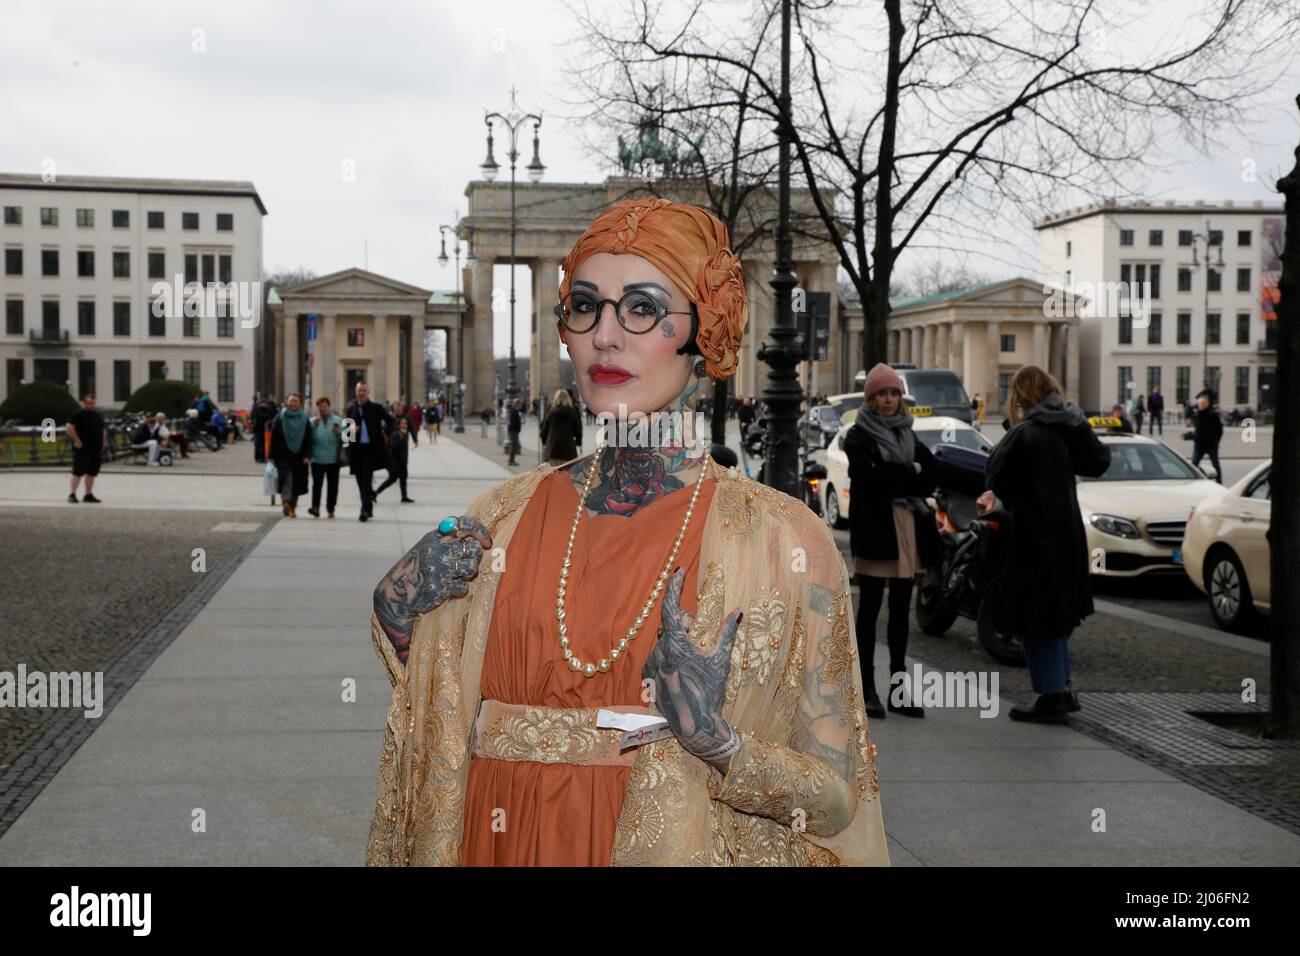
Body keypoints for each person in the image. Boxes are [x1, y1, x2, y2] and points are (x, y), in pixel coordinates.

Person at [365, 198, 886, 867]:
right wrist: (399, 610)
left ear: (706, 332)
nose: (605, 335)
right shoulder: (499, 516)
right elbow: (437, 708)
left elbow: (837, 801)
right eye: (585, 307)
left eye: (642, 308)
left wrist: (717, 743)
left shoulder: (784, 541)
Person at [985, 366, 1110, 723]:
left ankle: (1051, 694)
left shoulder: (1026, 435)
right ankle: (1063, 687)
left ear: (1021, 397)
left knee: (1036, 618)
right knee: (1059, 616)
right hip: (1068, 532)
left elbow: (1001, 481)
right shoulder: (1070, 425)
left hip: (1034, 536)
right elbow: (1099, 461)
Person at [843, 363, 940, 720]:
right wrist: (909, 471)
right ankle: (865, 690)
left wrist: (901, 475)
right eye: (882, 393)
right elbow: (867, 481)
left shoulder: (908, 434)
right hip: (876, 530)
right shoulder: (858, 436)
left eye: (894, 393)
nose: (889, 400)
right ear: (871, 398)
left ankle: (898, 691)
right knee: (869, 612)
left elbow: (931, 474)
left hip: (906, 529)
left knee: (901, 613)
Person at [345, 381, 391, 522]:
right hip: (357, 451)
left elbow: (391, 421)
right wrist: (351, 431)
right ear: (356, 392)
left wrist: (386, 435)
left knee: (365, 480)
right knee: (361, 482)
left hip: (372, 451)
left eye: (364, 390)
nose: (362, 393)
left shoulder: (376, 408)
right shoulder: (350, 409)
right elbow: (346, 434)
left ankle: (364, 510)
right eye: (359, 390)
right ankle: (369, 508)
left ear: (368, 392)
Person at [270, 393, 313, 517]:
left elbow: (309, 439)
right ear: (287, 402)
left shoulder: (305, 419)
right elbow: (274, 437)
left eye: (296, 401)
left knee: (297, 483)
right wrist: (271, 456)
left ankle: (292, 507)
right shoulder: (280, 418)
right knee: (286, 480)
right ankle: (286, 502)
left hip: (300, 456)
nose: (293, 403)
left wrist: (307, 455)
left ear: (299, 404)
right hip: (282, 455)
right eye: (291, 401)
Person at [67, 394, 107, 503]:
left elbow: (103, 430)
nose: (91, 405)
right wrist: (77, 440)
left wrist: (103, 443)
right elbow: (70, 428)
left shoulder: (98, 415)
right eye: (88, 403)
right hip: (83, 448)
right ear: (84, 403)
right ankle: (72, 494)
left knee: (92, 472)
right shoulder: (78, 415)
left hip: (96, 448)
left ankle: (88, 494)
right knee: (78, 472)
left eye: (92, 403)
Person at [309, 396, 344, 518]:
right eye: (320, 407)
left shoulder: (338, 420)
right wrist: (313, 427)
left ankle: (331, 509)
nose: (322, 409)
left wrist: (339, 433)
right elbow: (307, 438)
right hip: (317, 459)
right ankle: (315, 508)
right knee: (317, 484)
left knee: (333, 486)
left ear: (329, 407)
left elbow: (349, 439)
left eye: (324, 406)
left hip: (333, 460)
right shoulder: (313, 421)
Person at [374, 416, 415, 503]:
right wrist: (399, 459)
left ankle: (404, 496)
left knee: (403, 479)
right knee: (391, 479)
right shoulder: (396, 434)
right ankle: (375, 493)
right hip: (397, 463)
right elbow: (393, 448)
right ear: (399, 425)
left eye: (406, 423)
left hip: (403, 462)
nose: (405, 425)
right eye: (403, 423)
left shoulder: (406, 434)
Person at [539, 388, 582, 467]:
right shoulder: (573, 412)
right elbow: (578, 430)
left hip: (552, 449)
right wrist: (578, 442)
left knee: (554, 474)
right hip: (568, 449)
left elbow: (544, 429)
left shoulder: (551, 412)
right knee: (567, 474)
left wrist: (545, 443)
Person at [1192, 388, 1224, 483]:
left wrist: (1216, 441)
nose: (1200, 406)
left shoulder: (1212, 415)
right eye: (1199, 404)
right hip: (1200, 445)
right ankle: (1193, 480)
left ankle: (1219, 481)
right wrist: (1192, 436)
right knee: (1194, 464)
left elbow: (1219, 430)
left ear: (1207, 404)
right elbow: (1198, 431)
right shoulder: (1197, 415)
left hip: (1211, 444)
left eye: (1202, 404)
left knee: (1215, 464)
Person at [506, 398, 523, 467]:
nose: (521, 406)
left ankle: (512, 460)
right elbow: (513, 423)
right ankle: (511, 461)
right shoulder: (513, 412)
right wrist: (517, 429)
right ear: (517, 404)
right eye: (520, 404)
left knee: (514, 445)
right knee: (513, 446)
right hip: (513, 431)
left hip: (514, 431)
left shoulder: (515, 411)